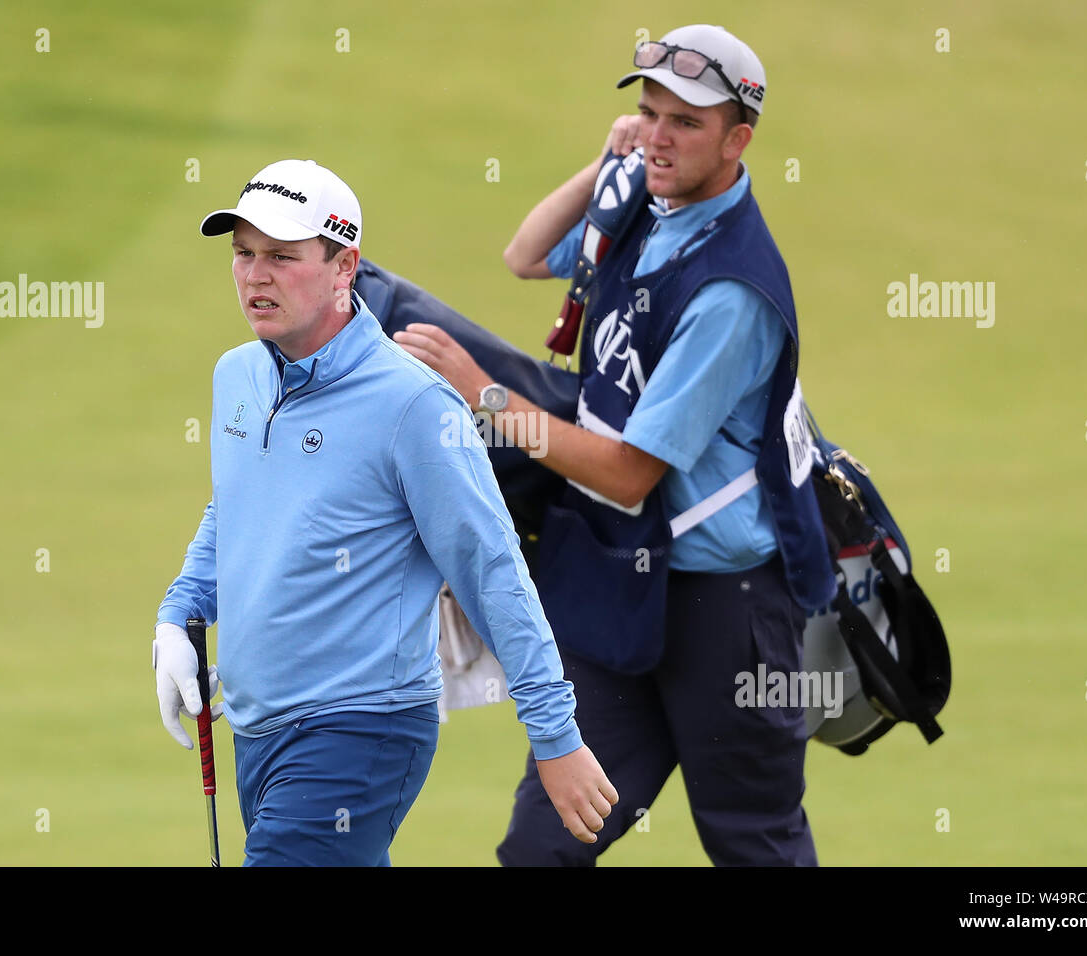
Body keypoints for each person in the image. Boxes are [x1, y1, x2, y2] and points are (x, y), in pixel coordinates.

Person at [392, 25, 835, 866]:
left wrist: (483, 396)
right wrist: (608, 166)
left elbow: (628, 475)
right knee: (542, 848)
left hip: (728, 611)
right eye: (650, 113)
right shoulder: (646, 203)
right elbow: (525, 255)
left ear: (738, 140)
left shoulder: (732, 292)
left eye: (686, 124)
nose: (659, 136)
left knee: (754, 846)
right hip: (620, 587)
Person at [151, 159, 618, 866]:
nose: (255, 275)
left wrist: (556, 736)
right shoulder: (236, 376)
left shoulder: (414, 406)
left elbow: (491, 568)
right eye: (243, 254)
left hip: (361, 727)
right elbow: (234, 510)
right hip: (256, 726)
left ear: (346, 268)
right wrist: (179, 613)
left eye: (282, 256)